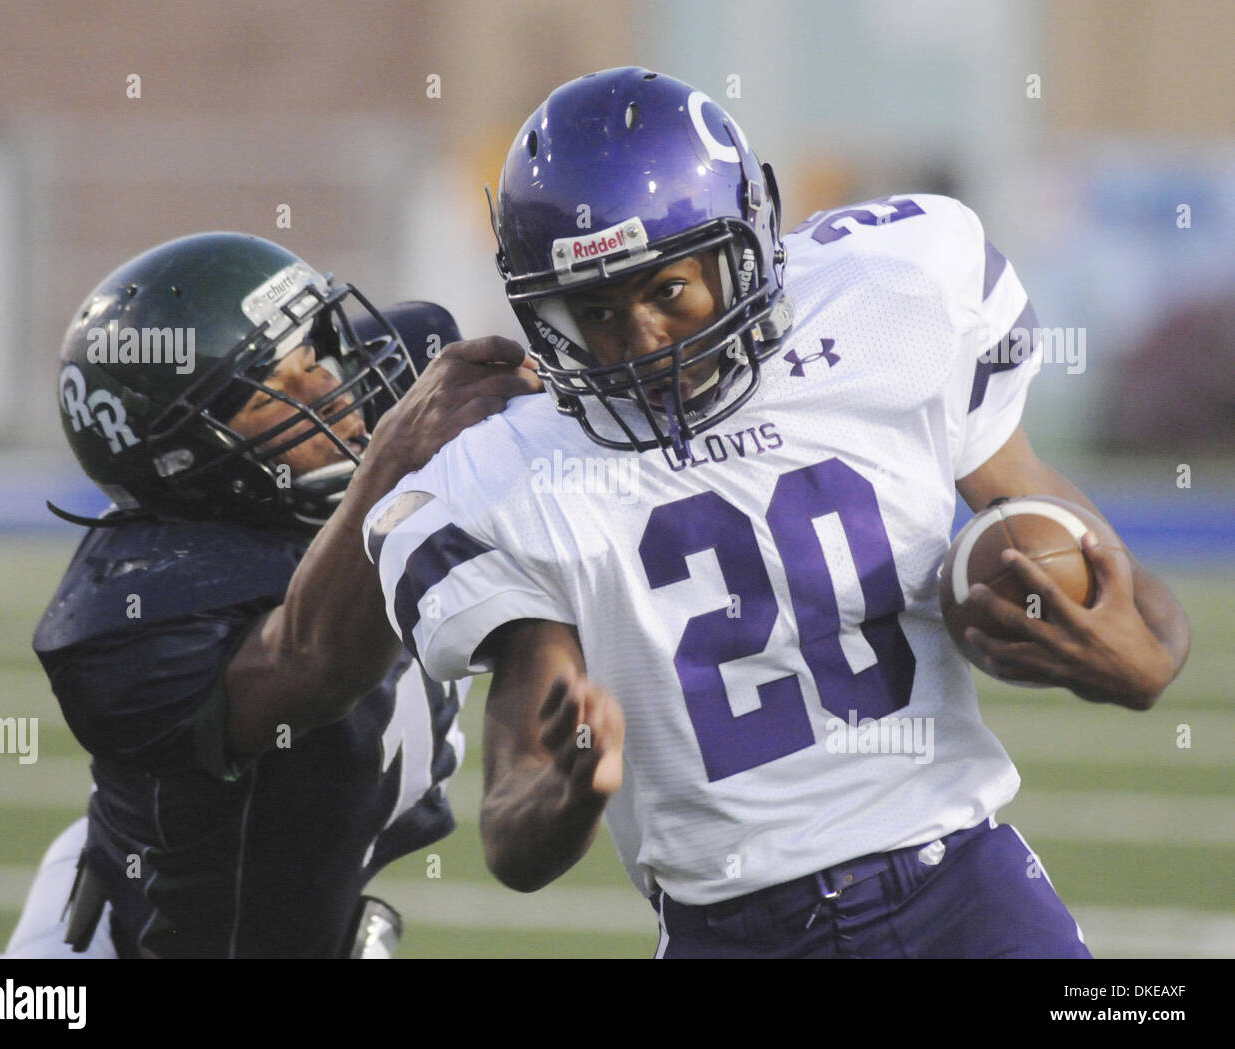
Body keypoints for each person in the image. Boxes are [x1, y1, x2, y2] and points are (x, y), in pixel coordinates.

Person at [362, 68, 1191, 959]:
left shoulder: (891, 300)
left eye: (668, 291)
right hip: (732, 932)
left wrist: (1145, 660)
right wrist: (571, 787)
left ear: (746, 247)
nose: (640, 344)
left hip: (965, 893)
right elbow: (510, 832)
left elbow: (1100, 567)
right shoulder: (514, 471)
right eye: (595, 311)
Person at [4, 231, 539, 958]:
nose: (328, 386)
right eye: (270, 386)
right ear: (187, 456)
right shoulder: (130, 623)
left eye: (314, 350)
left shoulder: (371, 399)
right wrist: (394, 463)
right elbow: (314, 662)